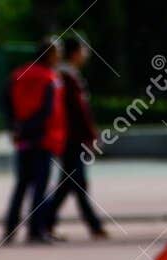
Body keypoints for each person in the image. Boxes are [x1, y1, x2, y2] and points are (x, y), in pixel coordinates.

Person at [41, 36, 108, 239]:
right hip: (72, 137)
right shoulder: (68, 77)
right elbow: (79, 111)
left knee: (70, 182)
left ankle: (46, 221)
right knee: (76, 181)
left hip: (68, 136)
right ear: (74, 53)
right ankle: (93, 225)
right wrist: (91, 135)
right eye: (83, 50)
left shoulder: (63, 75)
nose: (86, 54)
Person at [2, 39, 65, 244]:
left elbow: (6, 101)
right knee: (40, 186)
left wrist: (16, 127)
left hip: (23, 137)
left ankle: (10, 229)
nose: (60, 57)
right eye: (58, 52)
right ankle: (36, 230)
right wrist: (33, 128)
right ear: (49, 54)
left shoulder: (18, 74)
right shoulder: (49, 77)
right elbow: (48, 111)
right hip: (43, 137)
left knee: (21, 184)